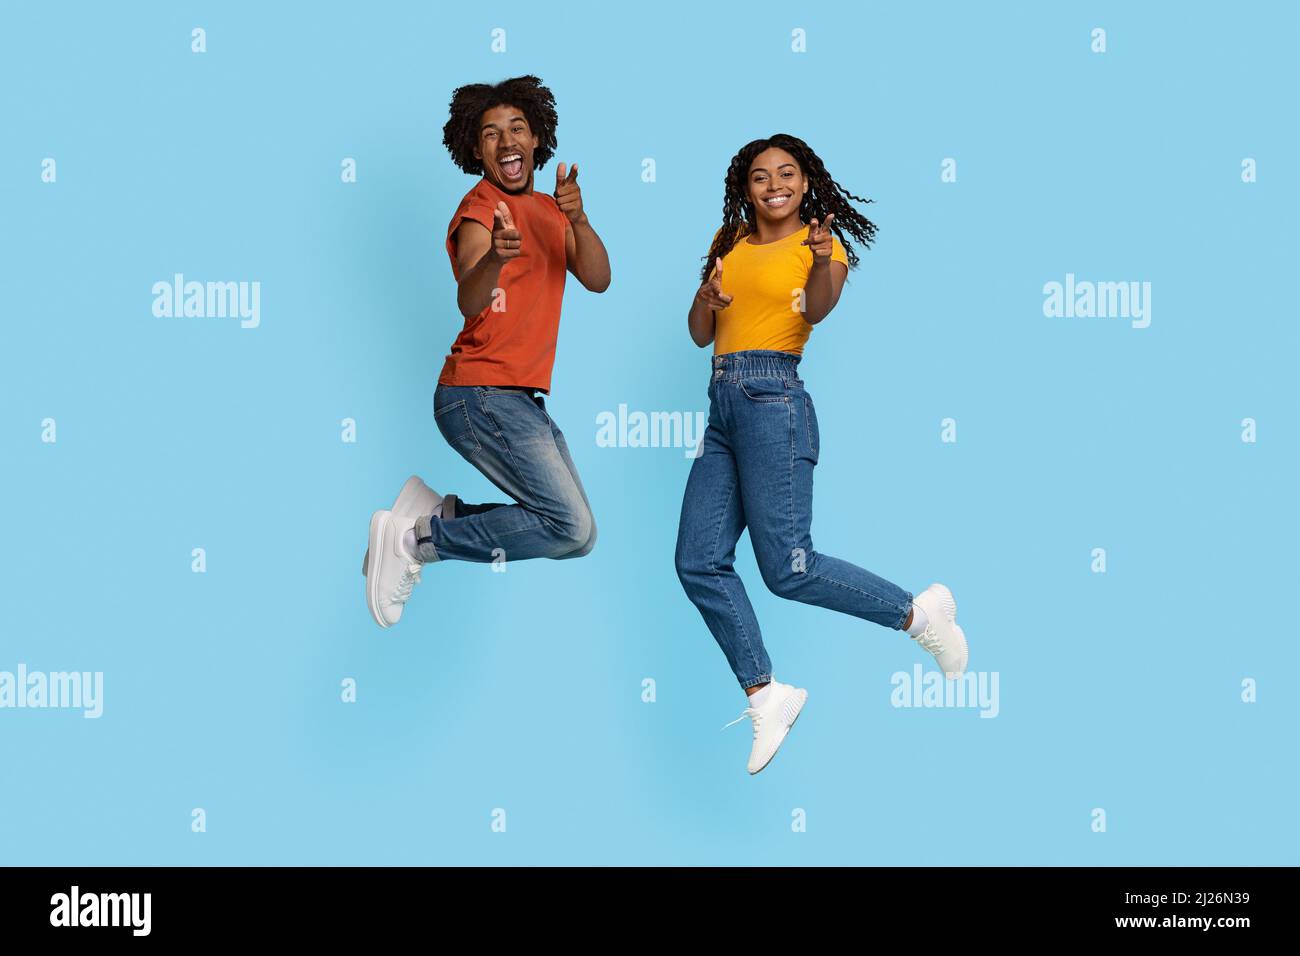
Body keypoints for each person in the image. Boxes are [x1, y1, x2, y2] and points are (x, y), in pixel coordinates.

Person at [674, 134, 968, 774]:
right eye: (760, 176)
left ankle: (919, 615)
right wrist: (705, 300)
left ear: (806, 184)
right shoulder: (729, 246)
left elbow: (820, 307)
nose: (773, 184)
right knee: (698, 560)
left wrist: (817, 263)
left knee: (788, 567)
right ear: (745, 187)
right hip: (723, 404)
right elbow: (702, 335)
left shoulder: (821, 244)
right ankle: (766, 693)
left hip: (772, 400)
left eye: (787, 173)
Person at [365, 75, 610, 628]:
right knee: (567, 525)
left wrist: (579, 218)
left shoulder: (551, 211)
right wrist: (496, 259)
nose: (506, 142)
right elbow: (470, 300)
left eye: (517, 129)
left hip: (521, 399)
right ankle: (416, 541)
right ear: (476, 150)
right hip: (477, 394)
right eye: (491, 133)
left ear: (537, 140)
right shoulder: (480, 207)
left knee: (580, 535)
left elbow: (598, 279)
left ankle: (439, 515)